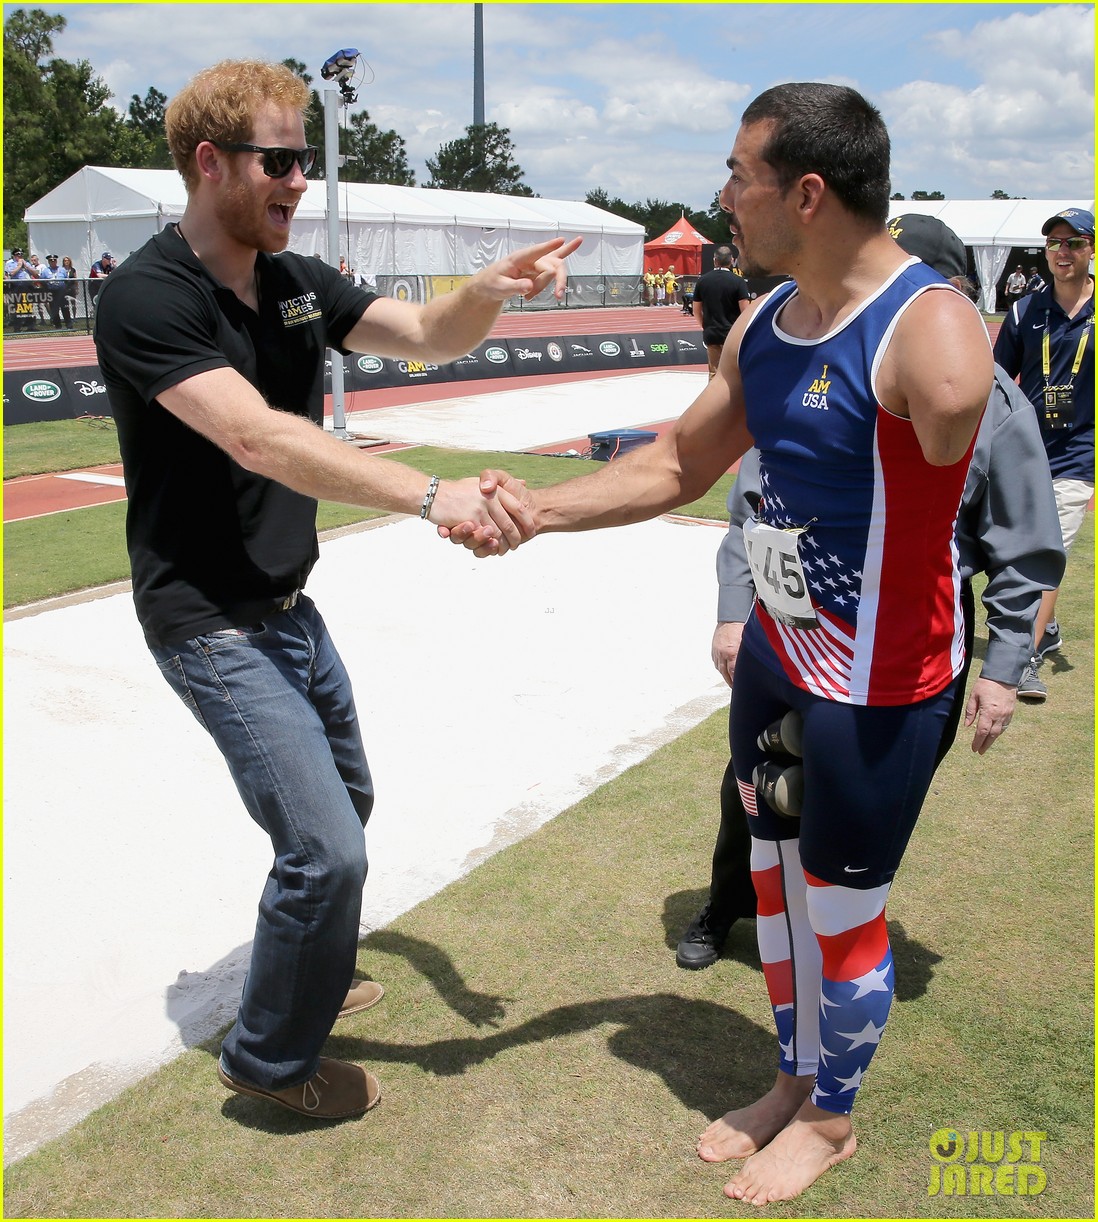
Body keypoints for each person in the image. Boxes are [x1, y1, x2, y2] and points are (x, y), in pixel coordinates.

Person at [454, 82, 994, 1206]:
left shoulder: (926, 325)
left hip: (879, 685)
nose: (722, 198)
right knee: (776, 884)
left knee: (843, 907)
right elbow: (674, 465)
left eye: (737, 176)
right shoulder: (762, 321)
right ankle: (793, 1080)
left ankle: (833, 1122)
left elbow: (969, 432)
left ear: (806, 190)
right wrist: (539, 511)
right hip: (777, 658)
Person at [93, 59, 577, 1124]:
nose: (298, 181)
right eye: (278, 160)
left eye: (303, 160)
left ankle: (307, 968)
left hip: (289, 609)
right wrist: (432, 493)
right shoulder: (148, 295)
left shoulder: (297, 277)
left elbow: (425, 336)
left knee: (343, 809)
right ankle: (266, 1066)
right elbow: (259, 436)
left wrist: (486, 294)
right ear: (210, 162)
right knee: (328, 849)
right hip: (206, 620)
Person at [677, 213, 1065, 975]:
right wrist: (734, 614)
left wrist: (1002, 671)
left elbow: (1025, 551)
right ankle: (729, 908)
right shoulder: (803, 363)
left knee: (854, 821)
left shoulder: (988, 404)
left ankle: (839, 950)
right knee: (750, 795)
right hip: (790, 634)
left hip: (901, 652)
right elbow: (754, 510)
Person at [993, 207, 1094, 703]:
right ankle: (1043, 629)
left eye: (1073, 242)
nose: (1063, 252)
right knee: (1011, 547)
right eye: (1054, 243)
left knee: (1049, 549)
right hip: (1025, 449)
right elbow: (994, 380)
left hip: (1080, 452)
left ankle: (1024, 659)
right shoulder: (1024, 312)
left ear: (1092, 249)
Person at [691, 244, 752, 378]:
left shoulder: (703, 281)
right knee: (735, 374)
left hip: (711, 333)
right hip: (732, 334)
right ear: (731, 261)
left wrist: (705, 325)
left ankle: (713, 398)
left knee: (714, 373)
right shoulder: (738, 281)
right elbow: (746, 311)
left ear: (715, 260)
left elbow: (696, 310)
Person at [38, 253, 72, 327]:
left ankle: (69, 325)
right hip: (52, 292)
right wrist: (47, 287)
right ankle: (58, 325)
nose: (53, 262)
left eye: (54, 261)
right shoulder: (45, 271)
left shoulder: (62, 269)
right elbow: (41, 281)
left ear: (56, 261)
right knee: (54, 309)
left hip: (62, 292)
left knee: (65, 308)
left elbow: (67, 280)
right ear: (49, 262)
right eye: (51, 261)